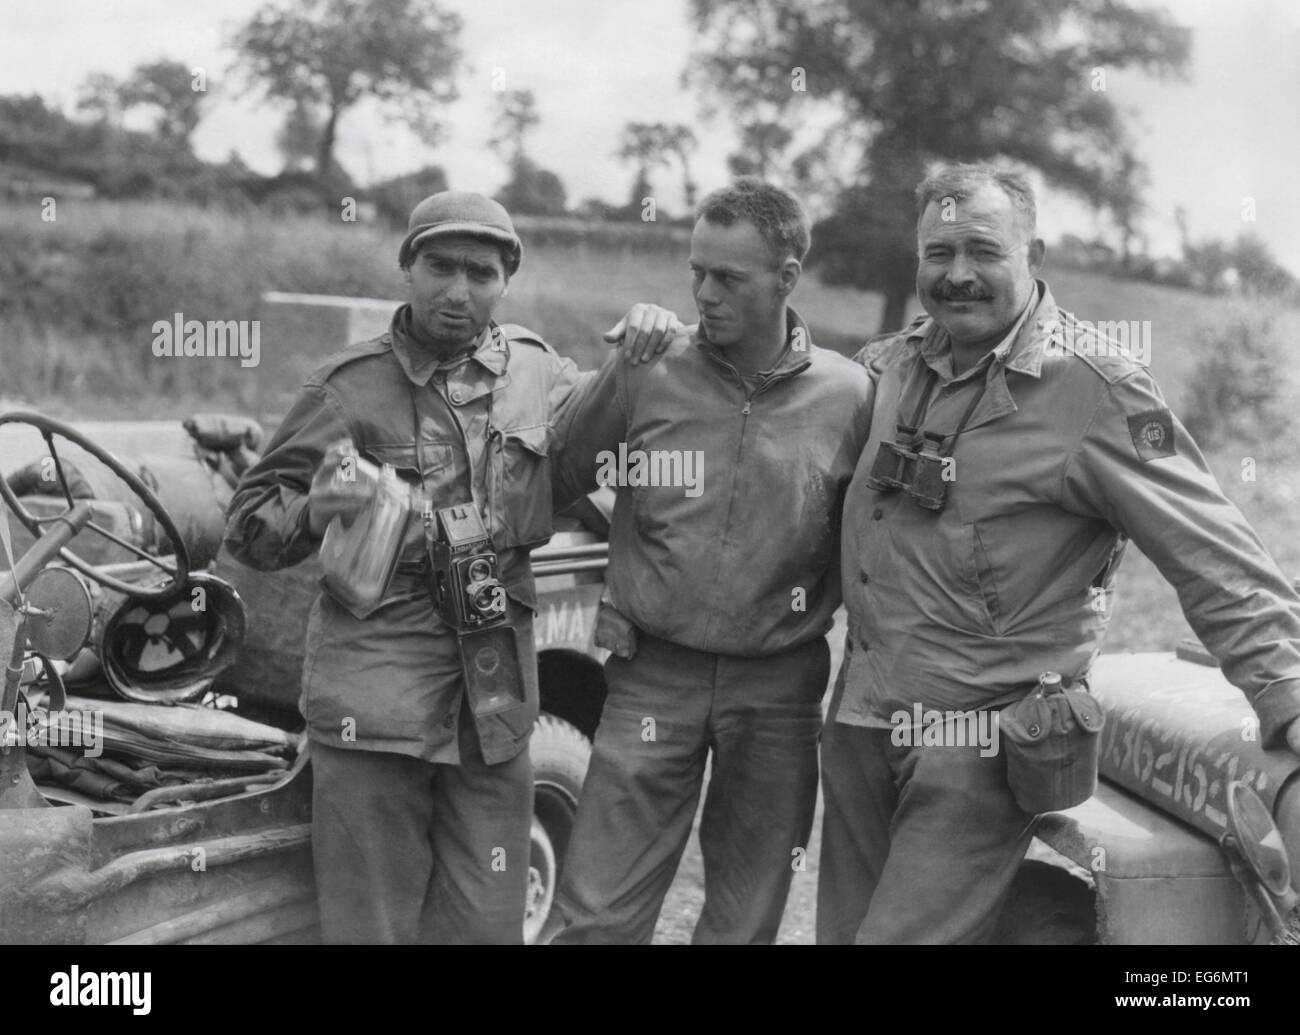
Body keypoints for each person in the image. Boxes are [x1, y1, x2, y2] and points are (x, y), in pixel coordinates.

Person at [817, 163, 1300, 944]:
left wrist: (1287, 688)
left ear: (1033, 253)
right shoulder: (891, 365)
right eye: (937, 253)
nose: (958, 274)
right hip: (862, 722)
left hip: (976, 745)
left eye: (983, 250)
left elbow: (1209, 549)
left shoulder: (1098, 391)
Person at [223, 191, 677, 944]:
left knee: (485, 922)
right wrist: (315, 508)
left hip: (493, 705)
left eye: (481, 272)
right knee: (371, 926)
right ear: (408, 266)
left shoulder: (538, 372)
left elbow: (599, 451)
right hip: (375, 698)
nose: (458, 290)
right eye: (439, 265)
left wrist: (641, 350)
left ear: (507, 281)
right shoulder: (347, 386)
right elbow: (249, 526)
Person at [549, 178, 874, 944]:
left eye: (728, 277)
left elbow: (875, 541)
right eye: (696, 271)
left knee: (745, 916)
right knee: (595, 911)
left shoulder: (852, 395)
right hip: (652, 676)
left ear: (788, 278)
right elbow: (560, 473)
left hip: (780, 685)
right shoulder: (648, 366)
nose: (703, 293)